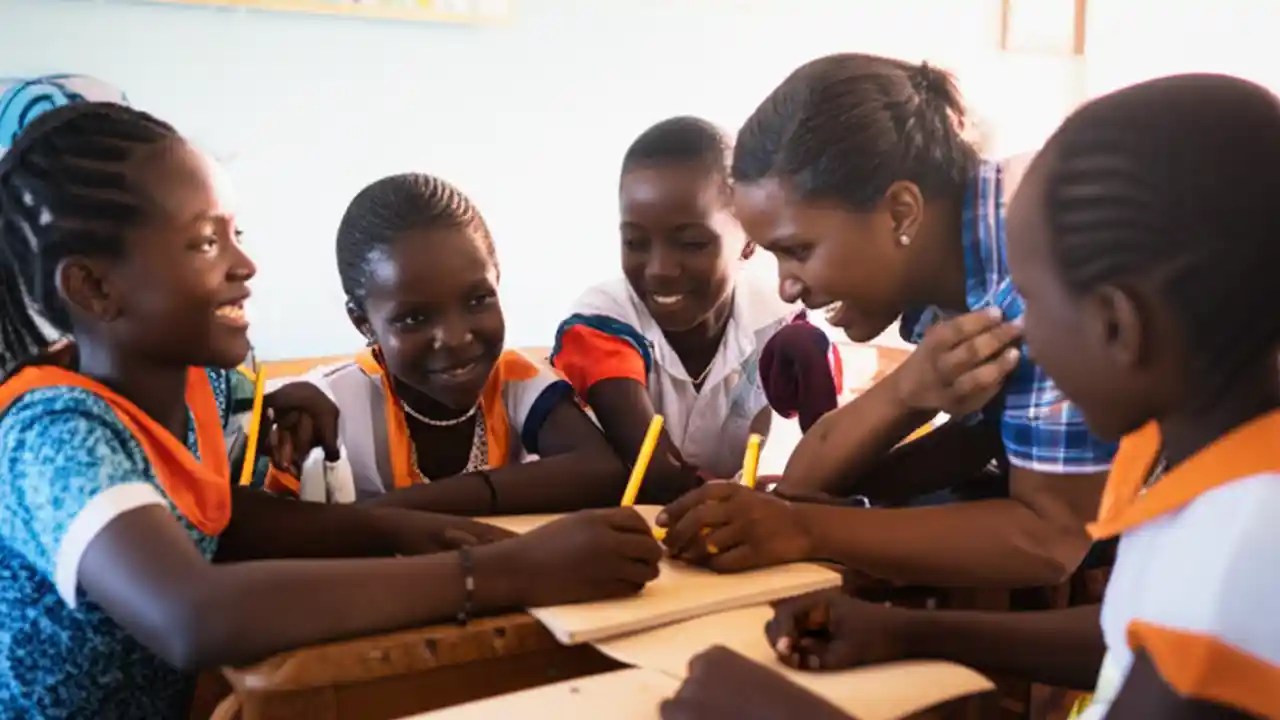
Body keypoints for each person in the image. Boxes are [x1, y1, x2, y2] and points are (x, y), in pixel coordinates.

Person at [0, 102, 662, 718]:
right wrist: (499, 572)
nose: (246, 265)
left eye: (236, 234)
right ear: (92, 286)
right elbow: (191, 614)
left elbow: (218, 525)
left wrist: (394, 533)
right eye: (205, 244)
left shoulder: (191, 386)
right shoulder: (53, 435)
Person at [663, 73, 1280, 720]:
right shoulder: (1205, 467)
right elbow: (1133, 628)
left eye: (1033, 304)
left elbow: (1077, 559)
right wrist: (910, 632)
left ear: (1116, 328)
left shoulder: (1243, 545)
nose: (1016, 327)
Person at [658, 54, 1116, 588]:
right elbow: (812, 479)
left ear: (901, 213)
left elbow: (1049, 540)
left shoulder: (1034, 266)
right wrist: (903, 394)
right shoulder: (955, 271)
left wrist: (806, 527)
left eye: (799, 250)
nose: (787, 285)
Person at [269, 173, 627, 513]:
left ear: (497, 279)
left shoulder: (518, 382)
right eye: (413, 318)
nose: (456, 339)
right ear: (363, 322)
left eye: (477, 300)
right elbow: (274, 525)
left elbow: (599, 471)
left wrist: (384, 512)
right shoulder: (332, 407)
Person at [551, 116, 816, 501]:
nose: (660, 270)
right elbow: (654, 471)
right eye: (636, 242)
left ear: (749, 240)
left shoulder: (778, 322)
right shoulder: (602, 323)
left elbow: (798, 450)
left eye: (692, 243)